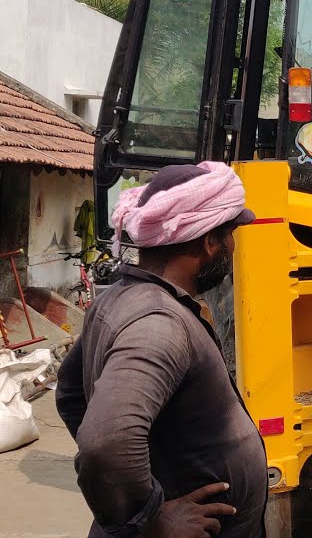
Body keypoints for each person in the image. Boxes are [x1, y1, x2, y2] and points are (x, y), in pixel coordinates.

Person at [56, 162, 266, 538]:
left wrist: (145, 471)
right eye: (230, 235)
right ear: (209, 242)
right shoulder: (159, 322)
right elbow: (105, 442)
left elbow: (71, 394)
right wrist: (150, 520)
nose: (234, 248)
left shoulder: (119, 298)